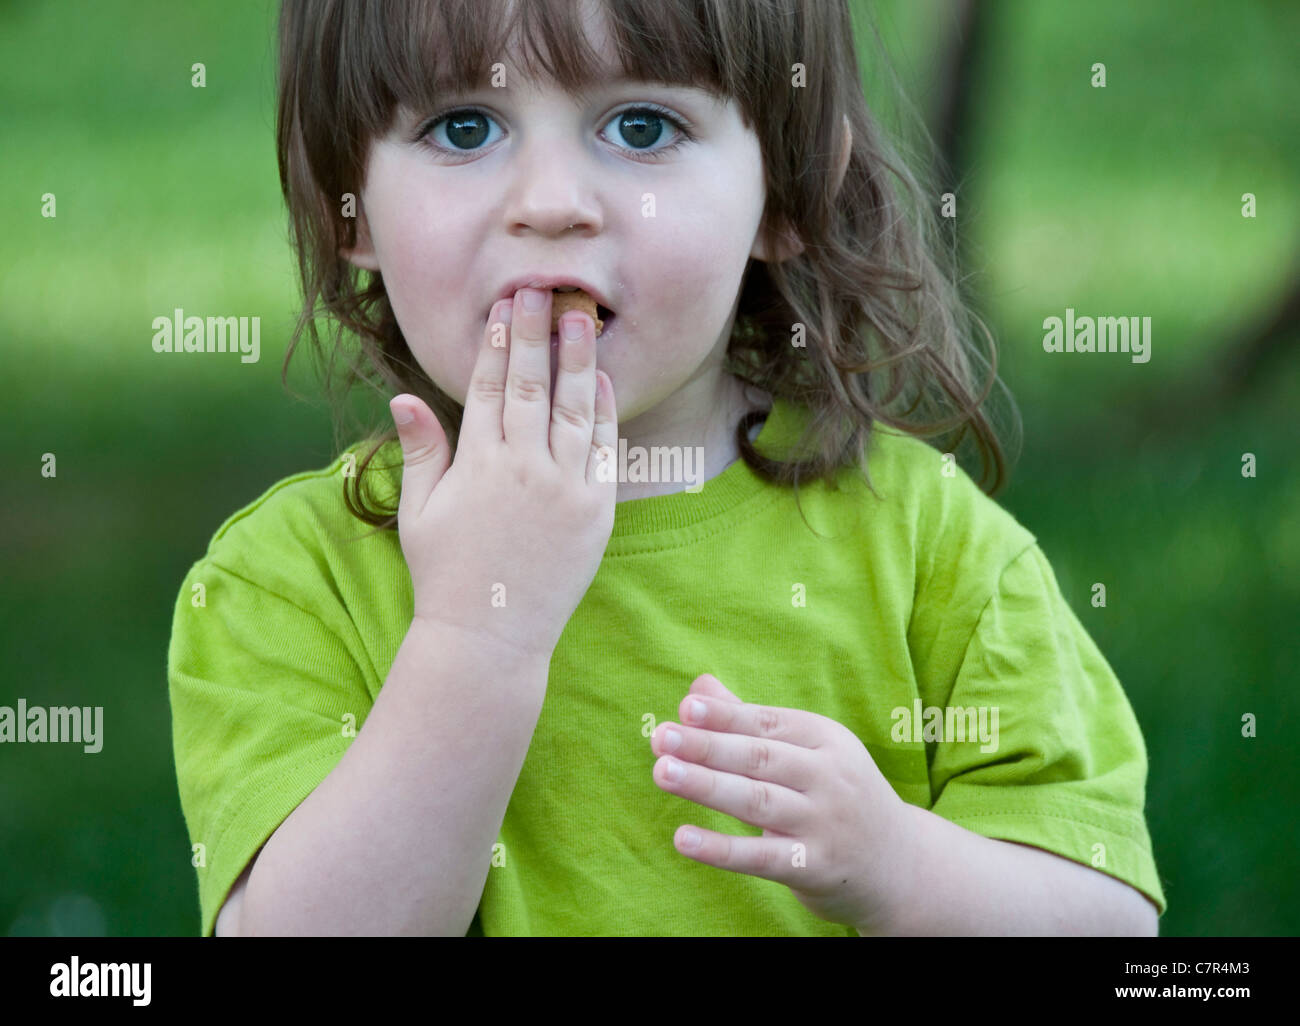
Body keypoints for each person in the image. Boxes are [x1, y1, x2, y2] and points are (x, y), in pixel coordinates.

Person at [168, 0, 1166, 936]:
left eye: (640, 127)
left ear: (790, 188)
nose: (551, 204)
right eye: (464, 129)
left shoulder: (928, 548)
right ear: (351, 210)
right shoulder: (288, 583)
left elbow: (1117, 924)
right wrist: (478, 633)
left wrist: (900, 864)